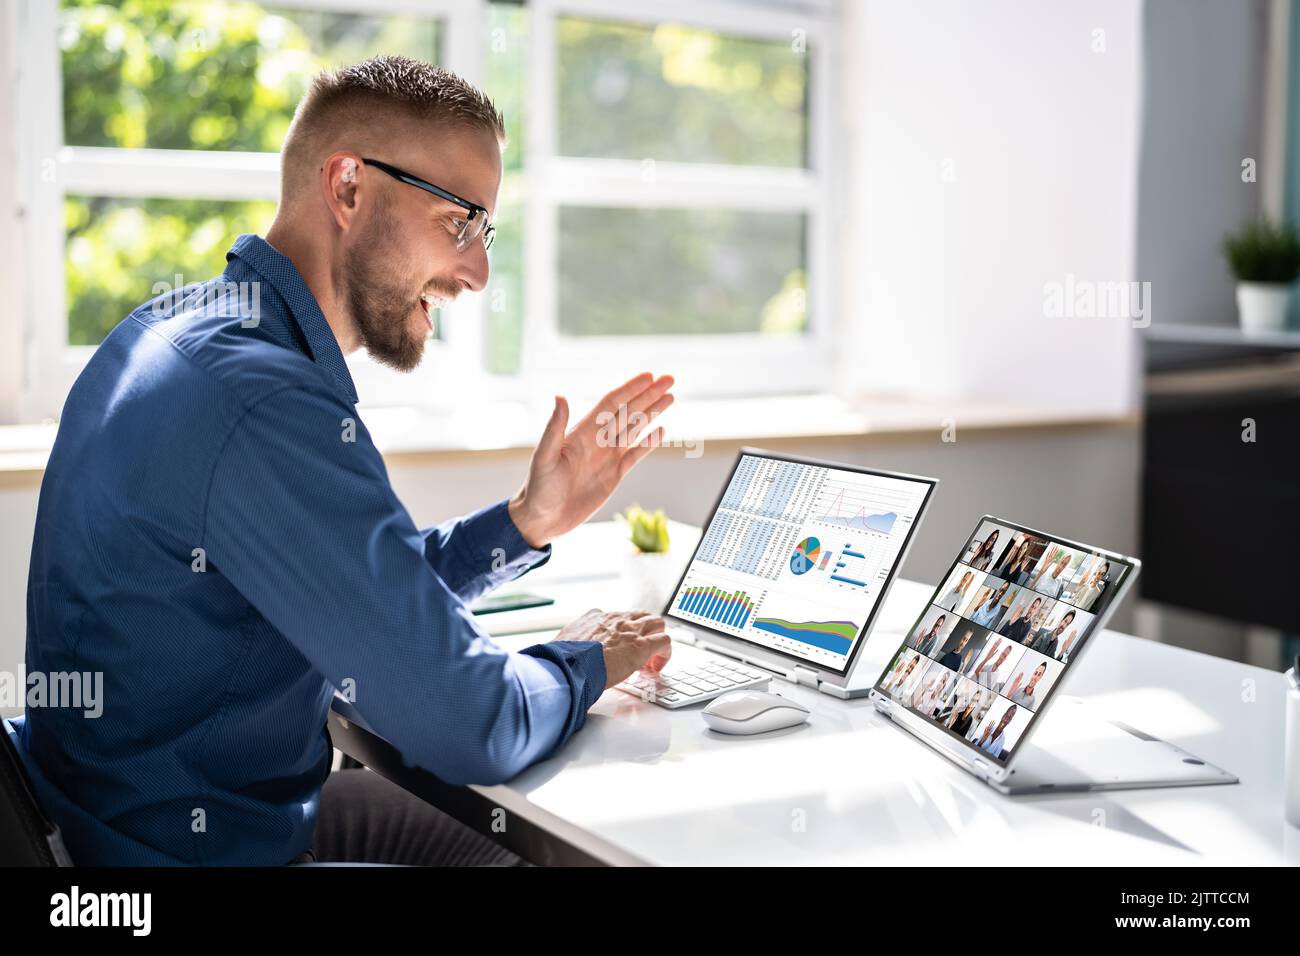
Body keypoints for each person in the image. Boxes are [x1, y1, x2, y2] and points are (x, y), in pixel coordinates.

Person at [12, 57, 677, 867]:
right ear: (350, 188)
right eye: (460, 222)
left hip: (119, 819)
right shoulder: (261, 404)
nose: (476, 273)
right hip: (175, 857)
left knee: (494, 838)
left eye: (486, 232)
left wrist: (524, 521)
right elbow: (472, 724)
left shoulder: (180, 331)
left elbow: (365, 595)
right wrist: (588, 659)